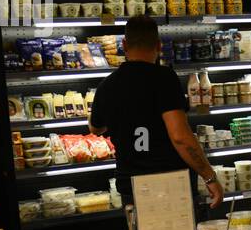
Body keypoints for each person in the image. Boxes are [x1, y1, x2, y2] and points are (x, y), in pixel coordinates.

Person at [88, 15, 225, 207]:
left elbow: (96, 128)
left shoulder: (107, 85)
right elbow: (180, 137)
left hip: (130, 187)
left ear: (125, 45)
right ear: (159, 45)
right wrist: (209, 177)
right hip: (168, 183)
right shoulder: (164, 79)